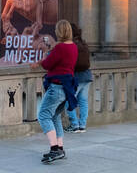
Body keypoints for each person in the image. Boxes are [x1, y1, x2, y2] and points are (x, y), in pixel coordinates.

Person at [37, 20, 78, 163]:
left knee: (43, 115)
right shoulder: (73, 47)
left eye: (56, 29)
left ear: (59, 31)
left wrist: (43, 57)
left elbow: (47, 64)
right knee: (55, 117)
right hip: (66, 88)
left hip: (56, 87)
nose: (55, 31)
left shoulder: (60, 48)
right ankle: (60, 148)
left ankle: (54, 149)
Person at [65, 23, 94, 132]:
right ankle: (82, 125)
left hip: (76, 77)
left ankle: (74, 125)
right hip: (87, 75)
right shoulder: (83, 43)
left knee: (69, 101)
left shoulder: (71, 45)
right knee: (83, 101)